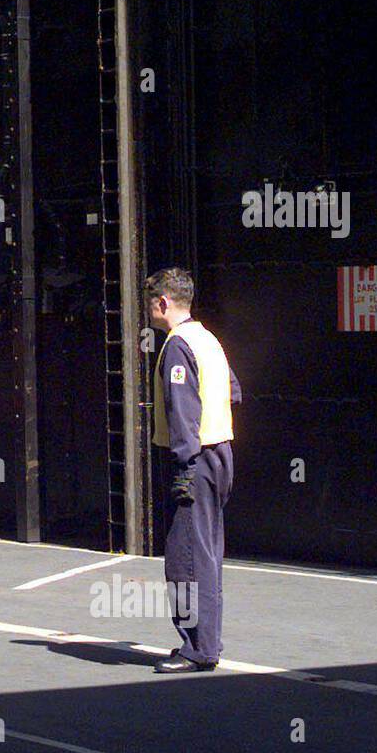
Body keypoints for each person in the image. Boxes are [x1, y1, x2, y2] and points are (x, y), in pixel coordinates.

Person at [145, 267, 242, 674]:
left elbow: (182, 409)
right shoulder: (208, 339)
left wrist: (184, 463)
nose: (149, 310)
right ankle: (206, 642)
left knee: (184, 558)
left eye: (151, 302)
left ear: (163, 303)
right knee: (207, 551)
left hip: (195, 459)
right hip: (219, 452)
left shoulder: (178, 347)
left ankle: (196, 648)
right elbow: (233, 391)